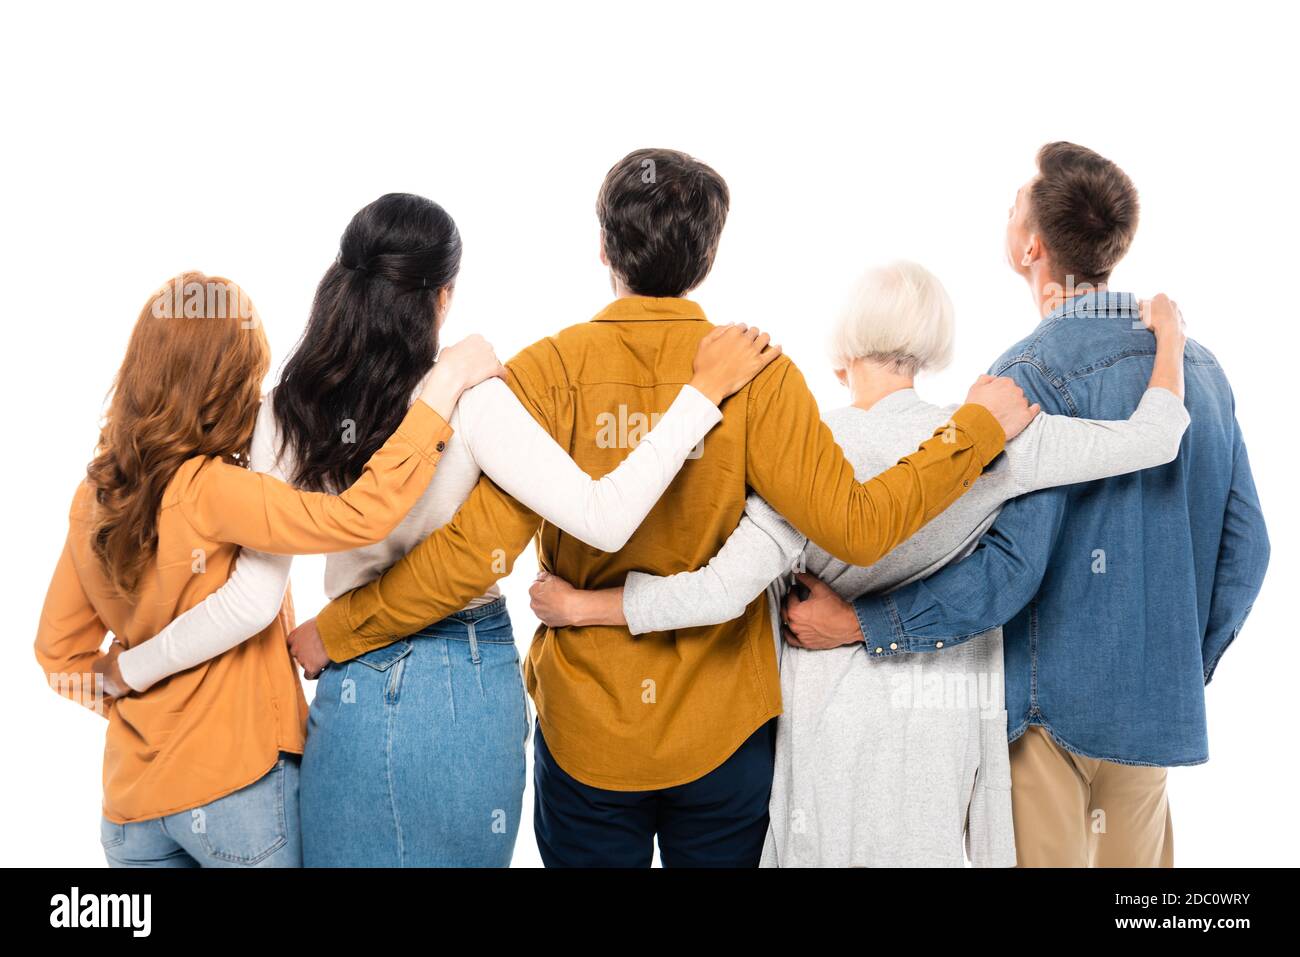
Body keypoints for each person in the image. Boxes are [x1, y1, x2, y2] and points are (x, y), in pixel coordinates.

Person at [289, 149, 1039, 868]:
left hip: (590, 735)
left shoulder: (549, 370)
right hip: (725, 737)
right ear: (707, 257)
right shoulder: (758, 373)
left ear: (606, 249)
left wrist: (342, 626)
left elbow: (469, 558)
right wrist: (975, 428)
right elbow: (859, 526)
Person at [102, 194, 779, 867]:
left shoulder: (288, 408)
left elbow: (251, 600)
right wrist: (701, 395)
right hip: (465, 678)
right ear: (443, 296)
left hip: (353, 680)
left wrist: (126, 670)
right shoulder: (475, 400)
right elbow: (605, 517)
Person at [529, 261, 1190, 867]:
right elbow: (1158, 437)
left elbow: (719, 591)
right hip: (942, 715)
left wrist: (584, 605)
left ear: (842, 354)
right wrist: (1170, 339)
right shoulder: (998, 435)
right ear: (933, 344)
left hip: (823, 720)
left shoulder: (806, 456)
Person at [782, 142, 1270, 867]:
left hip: (1045, 721)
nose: (1006, 214)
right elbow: (1247, 547)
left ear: (1030, 248)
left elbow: (1009, 569)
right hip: (1151, 719)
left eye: (1014, 205)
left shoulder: (1025, 376)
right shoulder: (1198, 368)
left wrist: (862, 622)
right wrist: (1176, 663)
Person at [34, 269, 506, 867]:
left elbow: (59, 659)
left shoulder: (93, 497)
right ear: (228, 383)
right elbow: (362, 516)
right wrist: (444, 387)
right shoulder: (217, 491)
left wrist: (135, 694)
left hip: (132, 814)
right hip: (239, 794)